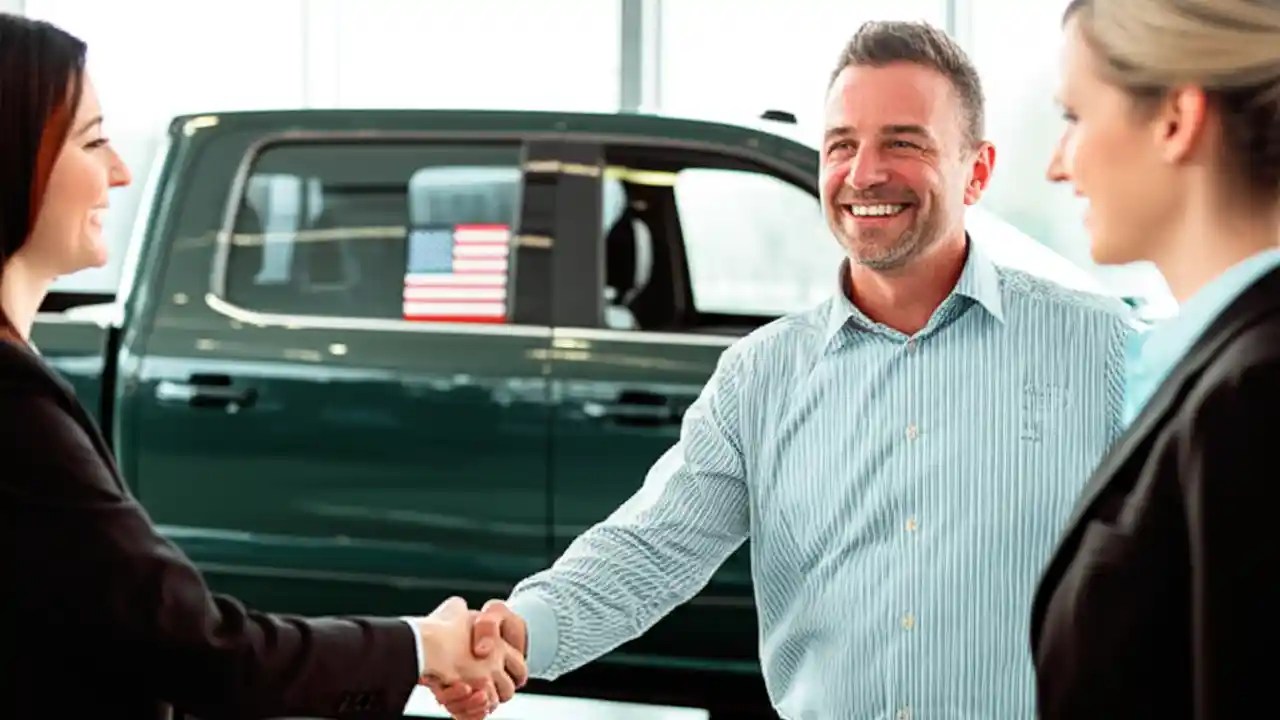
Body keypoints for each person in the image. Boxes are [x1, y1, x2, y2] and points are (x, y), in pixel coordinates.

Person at [433, 20, 1135, 720]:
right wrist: (518, 635)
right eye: (842, 145)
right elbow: (651, 548)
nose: (864, 173)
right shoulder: (759, 376)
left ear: (976, 171)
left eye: (903, 143)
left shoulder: (1102, 349)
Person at [0, 14, 525, 720]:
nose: (120, 172)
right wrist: (421, 646)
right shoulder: (11, 402)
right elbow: (198, 650)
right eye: (93, 141)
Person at [1031, 1, 1280, 717]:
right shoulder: (1220, 369)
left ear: (1176, 120)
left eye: (1074, 116)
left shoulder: (1254, 395)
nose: (1056, 164)